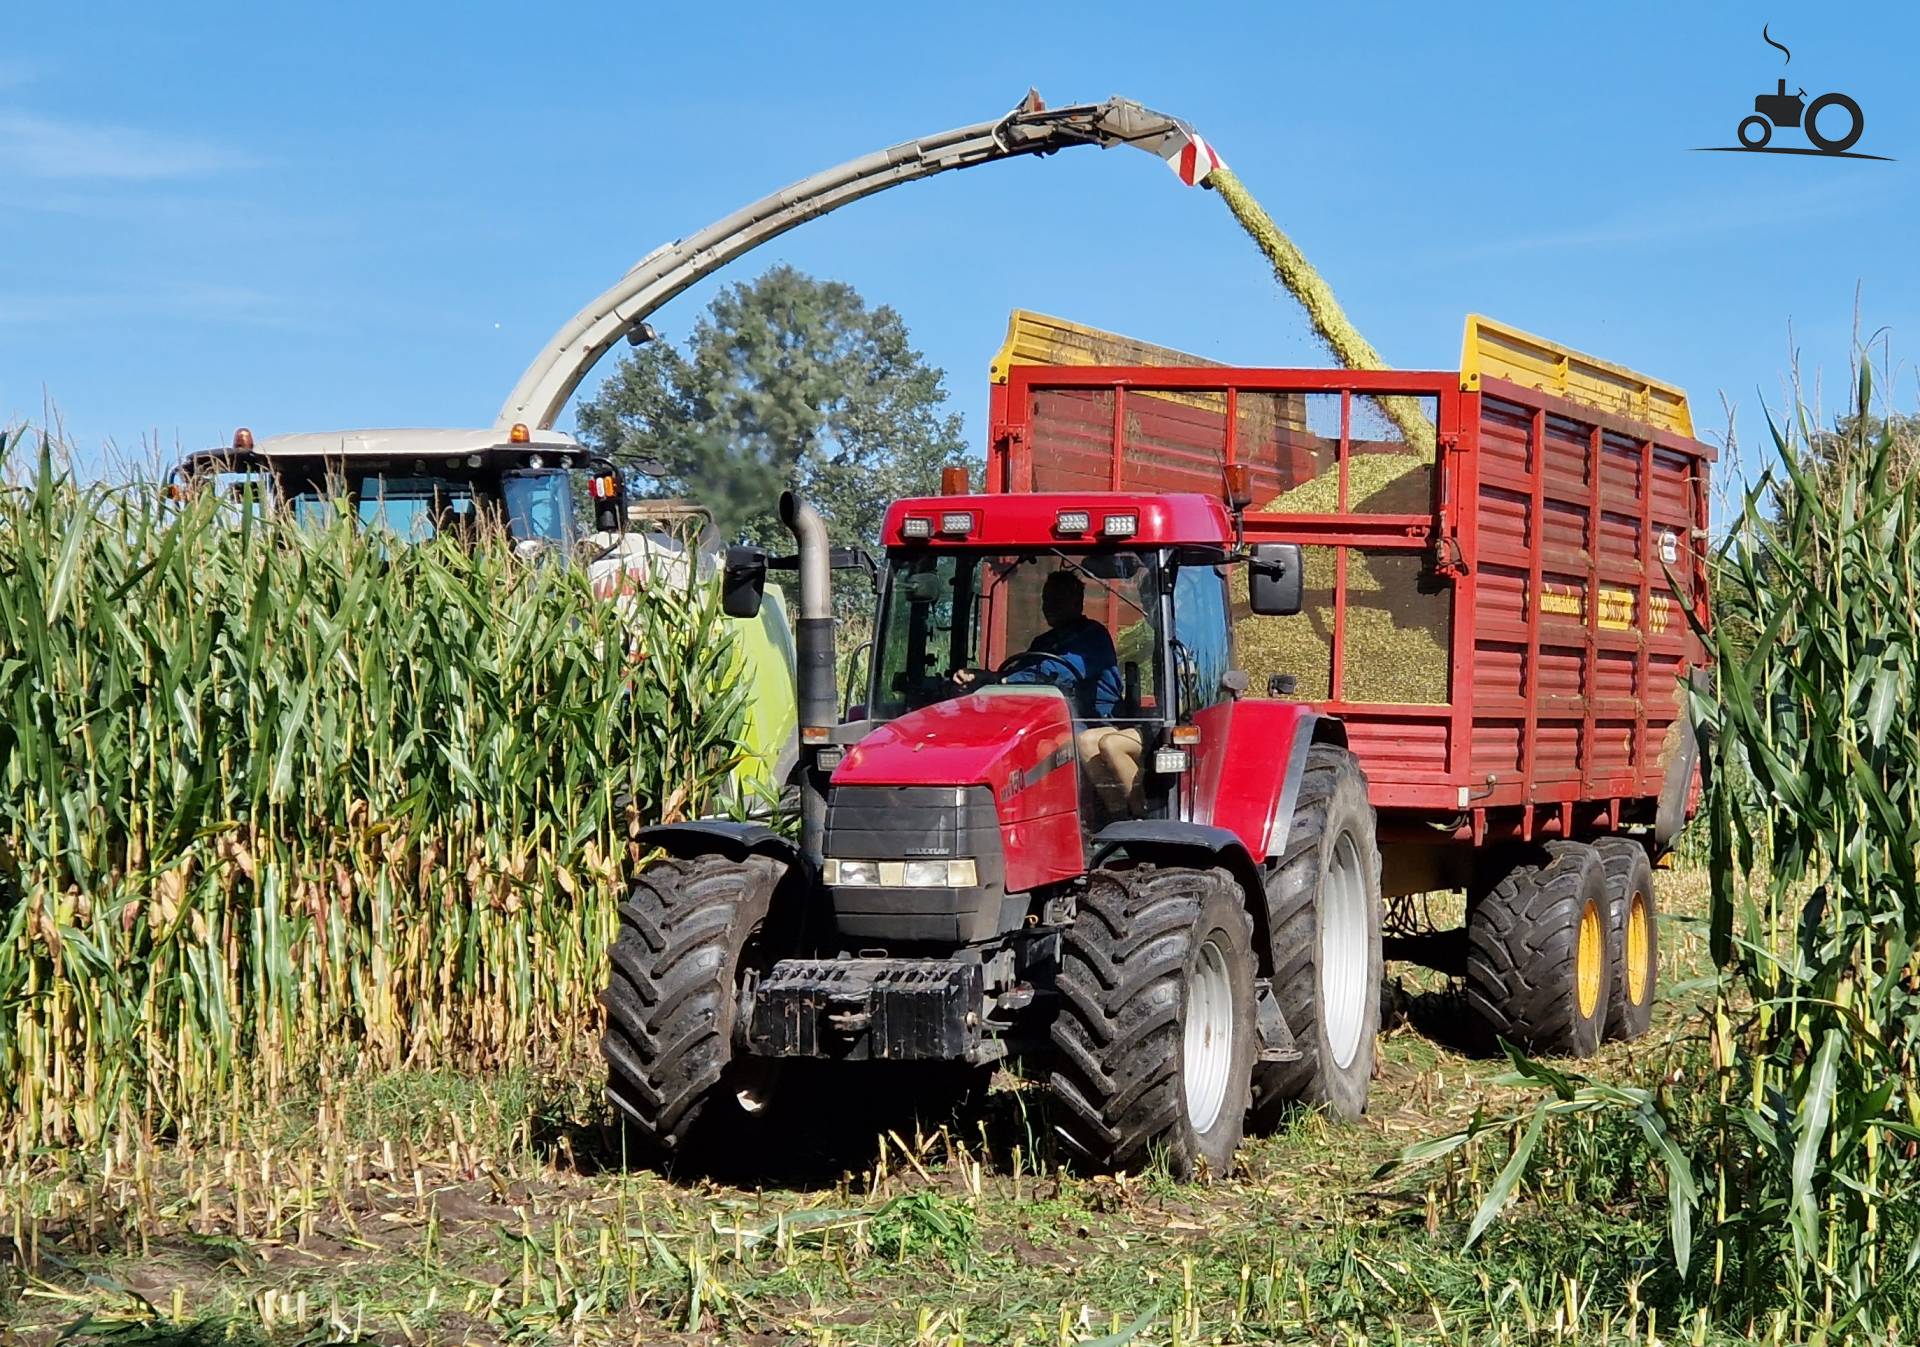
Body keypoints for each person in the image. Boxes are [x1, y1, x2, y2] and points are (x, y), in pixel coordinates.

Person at [970, 569, 1145, 819]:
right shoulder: (1043, 642)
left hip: (1100, 722)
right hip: (1058, 722)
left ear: (1077, 602)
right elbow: (1021, 672)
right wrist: (985, 679)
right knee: (1030, 746)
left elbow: (1059, 672)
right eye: (1046, 600)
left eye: (1057, 600)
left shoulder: (1092, 636)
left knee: (1072, 743)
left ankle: (1120, 817)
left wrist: (1005, 679)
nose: (1048, 607)